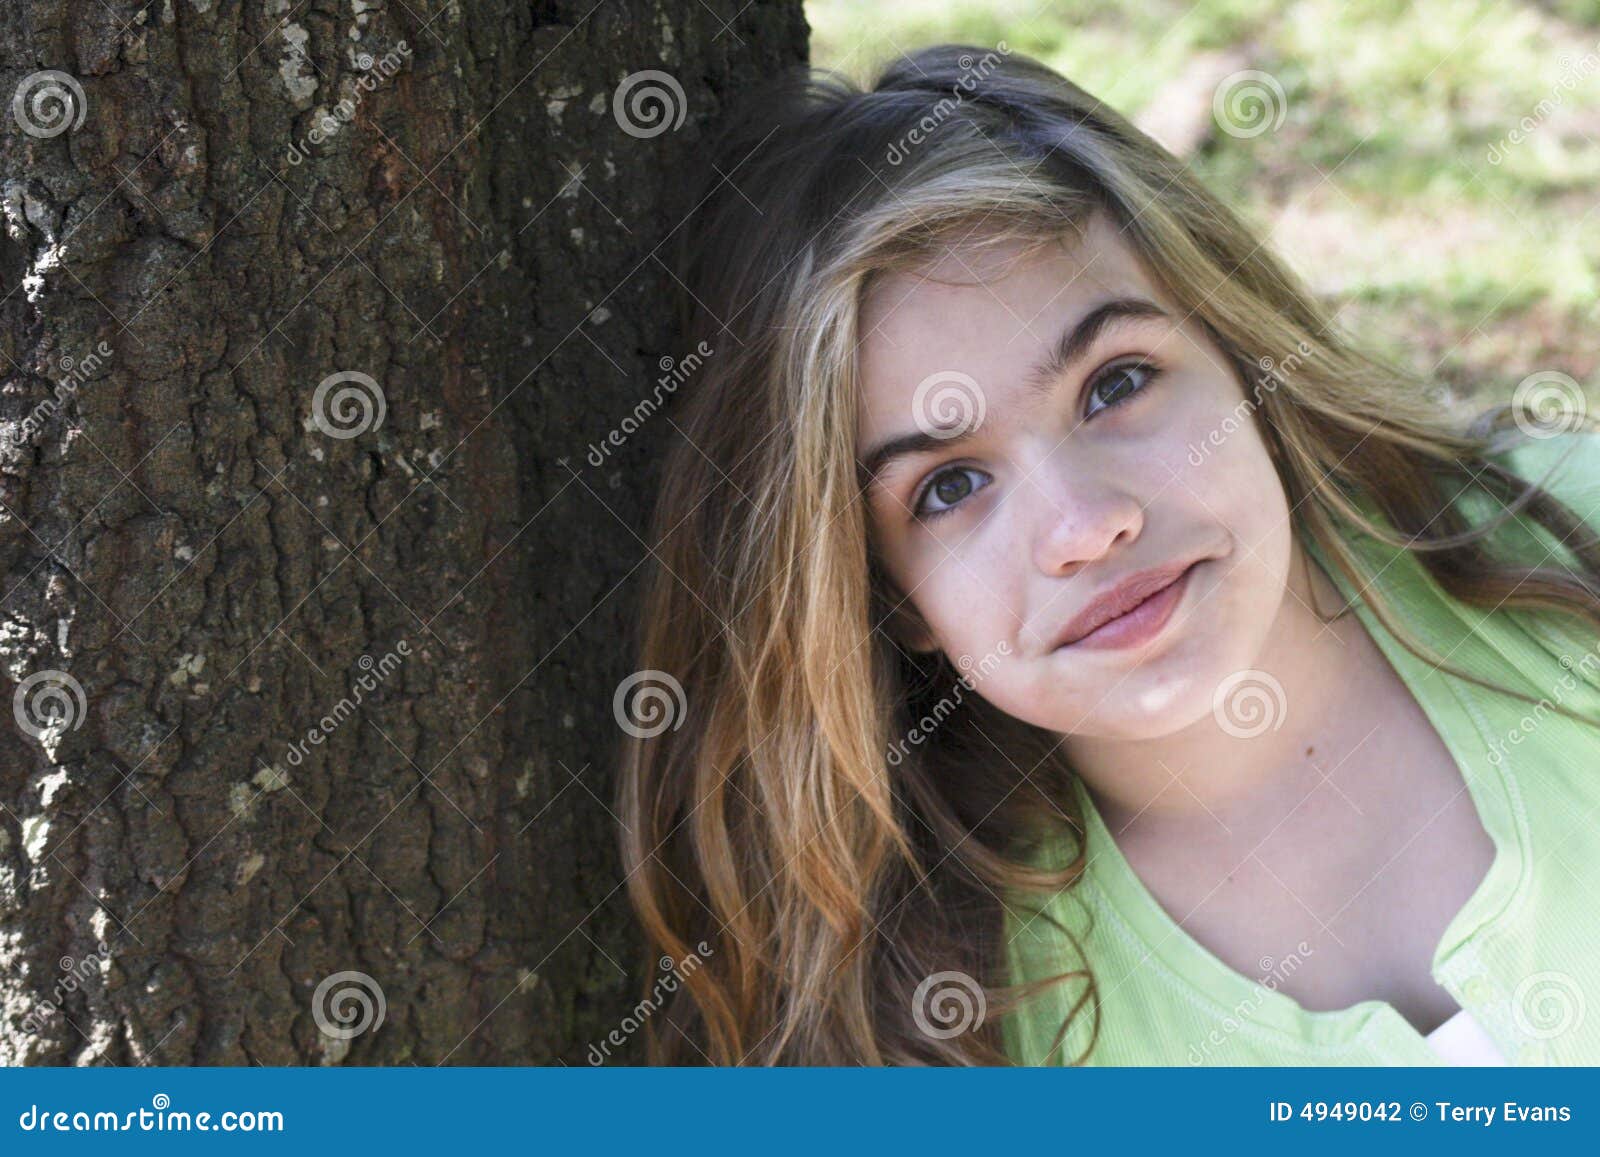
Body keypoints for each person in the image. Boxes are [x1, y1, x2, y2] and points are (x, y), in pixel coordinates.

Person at [615, 44, 1600, 1065]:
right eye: (947, 487)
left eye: (1114, 382)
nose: (1084, 526)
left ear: (1235, 349)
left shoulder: (1573, 544)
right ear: (888, 596)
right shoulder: (953, 1023)